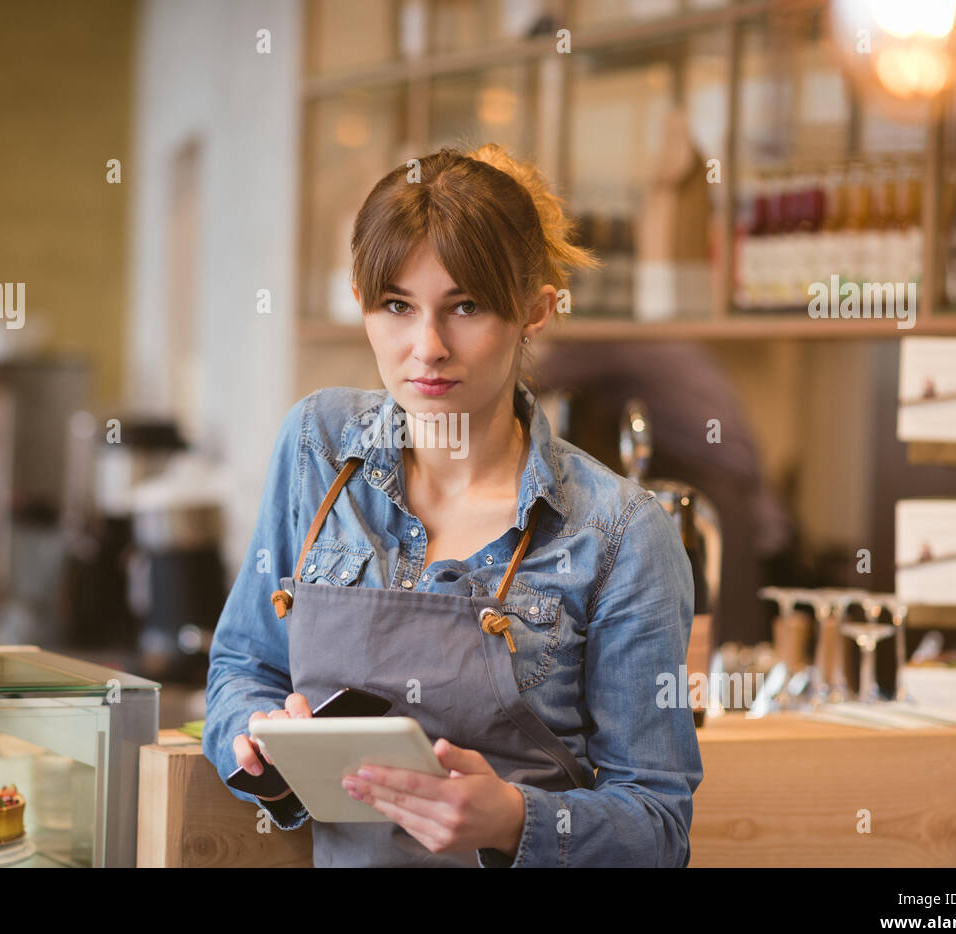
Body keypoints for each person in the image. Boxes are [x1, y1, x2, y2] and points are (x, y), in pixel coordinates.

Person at [203, 143, 703, 867]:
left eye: (465, 306)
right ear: (362, 304)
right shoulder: (317, 446)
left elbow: (659, 825)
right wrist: (249, 728)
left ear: (535, 310)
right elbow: (243, 662)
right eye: (397, 306)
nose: (426, 347)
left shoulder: (622, 532)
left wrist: (512, 819)